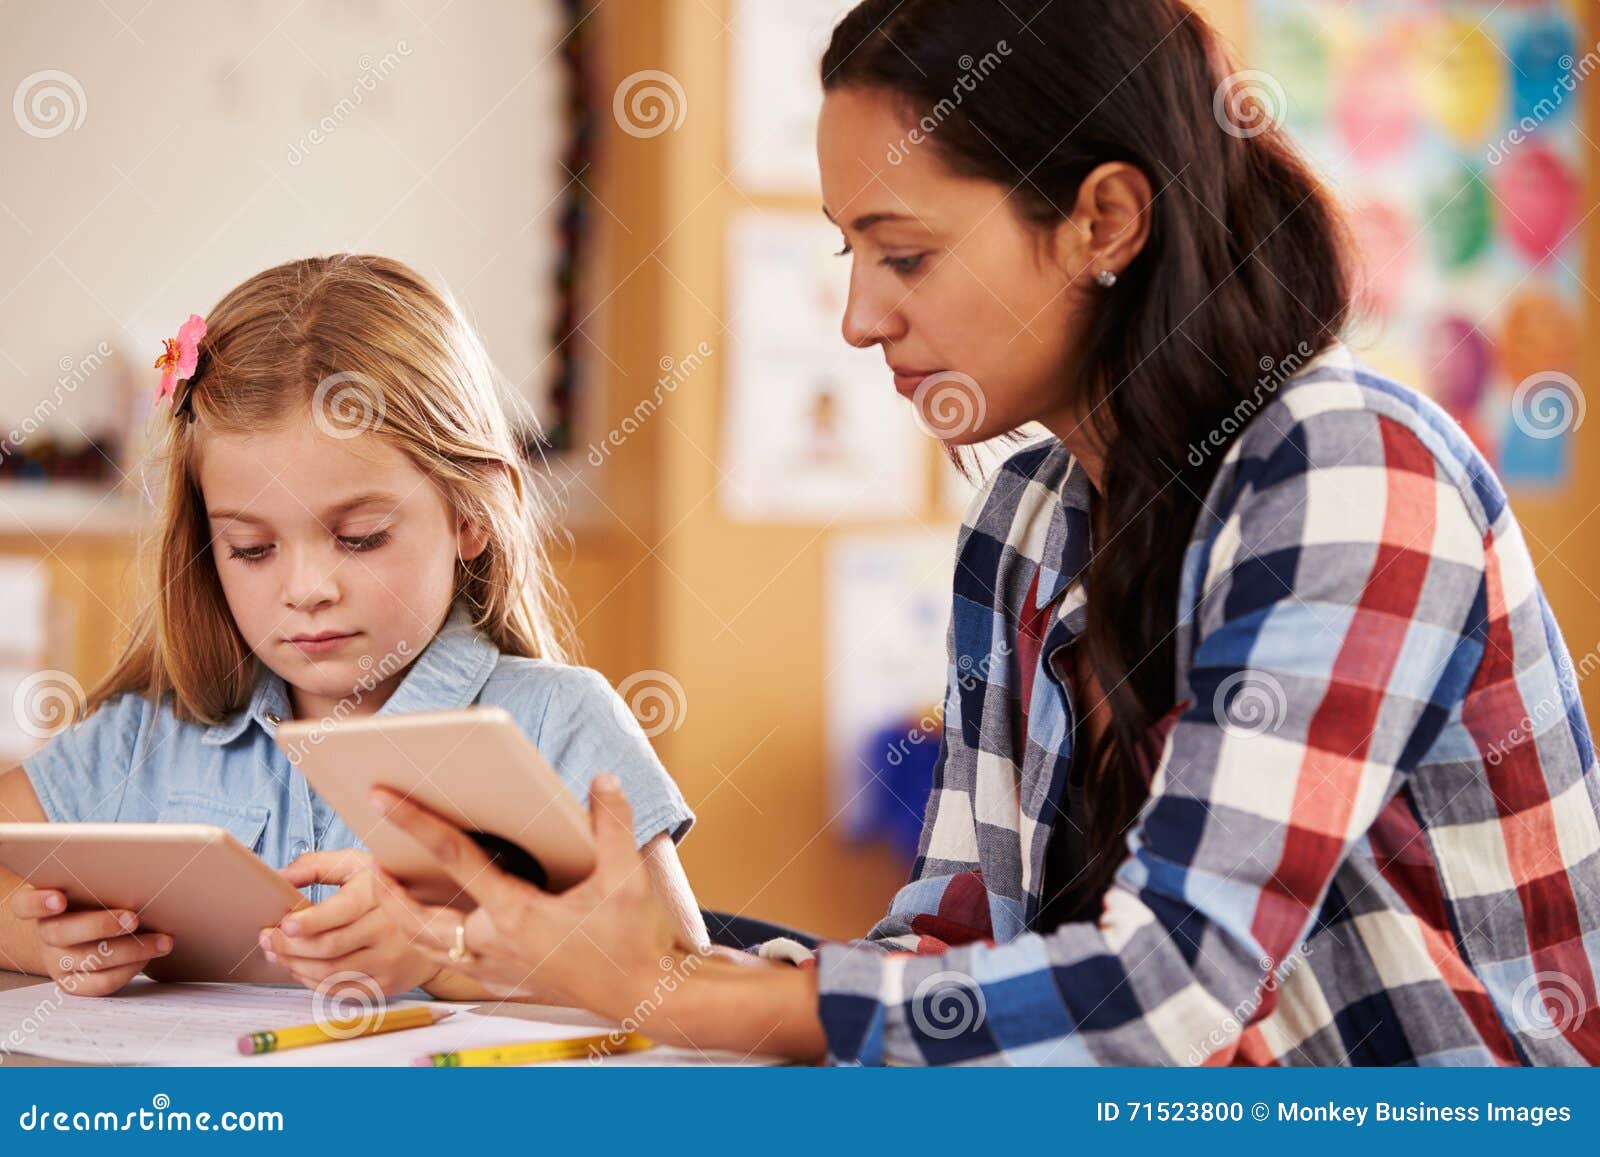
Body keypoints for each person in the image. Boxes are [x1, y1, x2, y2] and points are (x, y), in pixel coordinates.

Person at [364, 0, 1600, 1066]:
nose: (857, 317)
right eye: (850, 251)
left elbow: (1174, 989)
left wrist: (677, 992)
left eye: (904, 254)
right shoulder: (1025, 520)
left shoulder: (1345, 467)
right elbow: (957, 944)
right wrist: (586, 956)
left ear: (1104, 221)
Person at [0, 254, 706, 999]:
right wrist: (29, 935)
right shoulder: (144, 738)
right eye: (252, 548)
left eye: (361, 538)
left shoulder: (560, 722)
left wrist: (447, 953)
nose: (307, 591)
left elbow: (681, 976)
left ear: (471, 513)